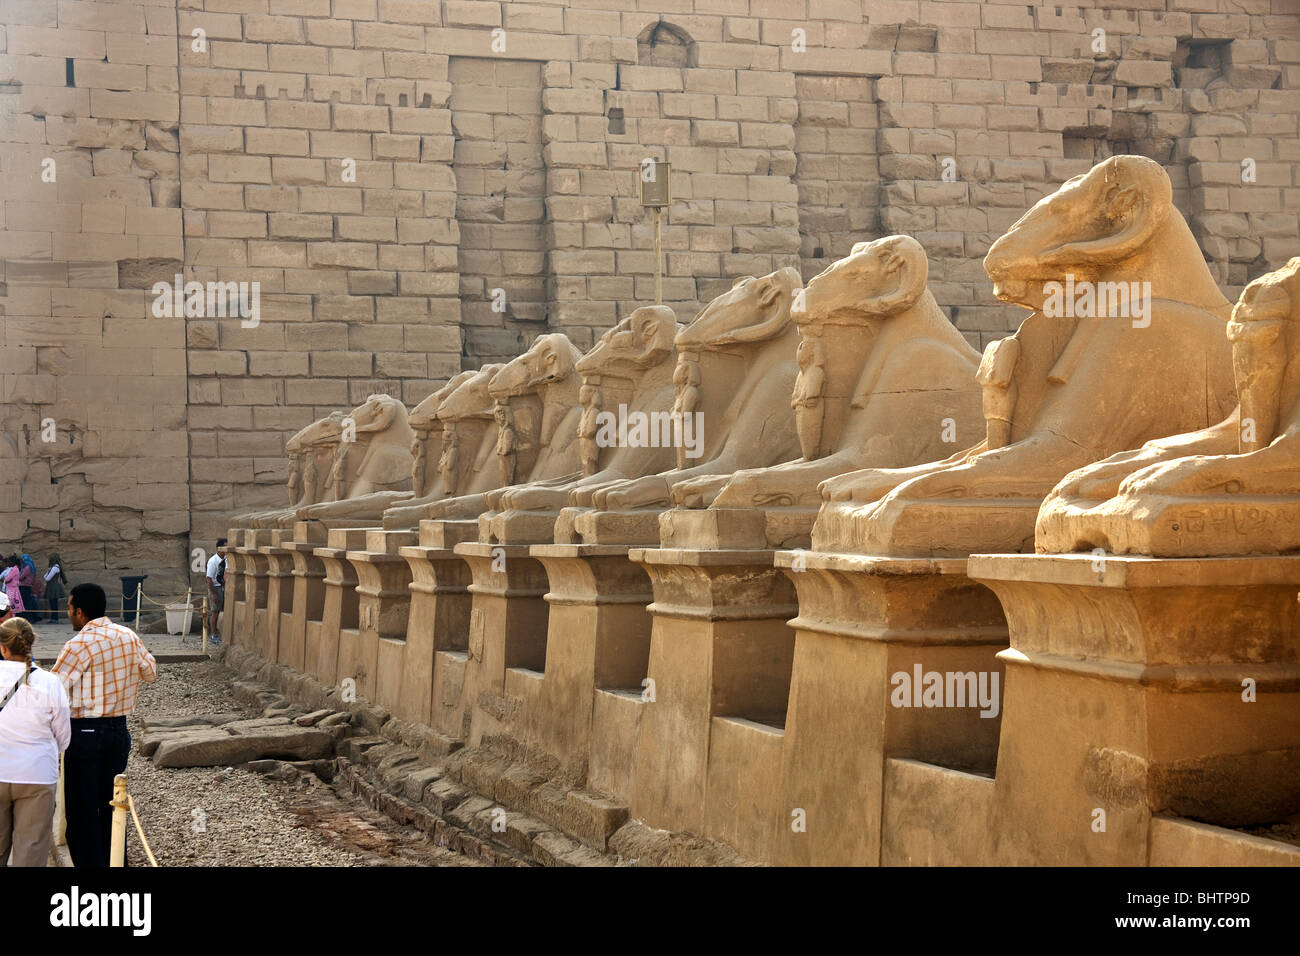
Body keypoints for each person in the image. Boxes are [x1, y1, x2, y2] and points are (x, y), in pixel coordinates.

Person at [51, 583, 157, 868]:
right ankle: (114, 863)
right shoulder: (128, 635)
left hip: (84, 733)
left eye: (70, 608)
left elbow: (55, 688)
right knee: (113, 805)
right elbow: (150, 673)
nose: (69, 613)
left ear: (81, 612)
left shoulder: (79, 644)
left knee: (82, 809)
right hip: (118, 731)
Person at [0, 618, 71, 866]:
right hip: (37, 773)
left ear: (3, 648)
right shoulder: (51, 683)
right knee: (30, 852)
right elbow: (64, 735)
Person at [205, 540, 227, 645]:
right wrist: (214, 593)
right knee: (215, 612)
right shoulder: (213, 561)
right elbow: (209, 578)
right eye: (225, 547)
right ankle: (213, 634)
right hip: (215, 587)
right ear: (219, 548)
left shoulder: (226, 559)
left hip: (223, 587)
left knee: (222, 611)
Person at [42, 555, 66, 626]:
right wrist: (49, 570)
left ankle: (55, 619)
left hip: (53, 587)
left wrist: (49, 571)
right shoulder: (53, 567)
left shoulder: (55, 568)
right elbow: (45, 576)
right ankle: (54, 619)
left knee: (53, 603)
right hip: (52, 586)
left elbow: (47, 578)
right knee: (53, 603)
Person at [18, 555, 40, 623]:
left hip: (24, 587)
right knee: (27, 603)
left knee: (25, 603)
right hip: (27, 586)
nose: (20, 561)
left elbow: (20, 577)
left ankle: (28, 618)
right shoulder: (29, 567)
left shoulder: (27, 567)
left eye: (21, 559)